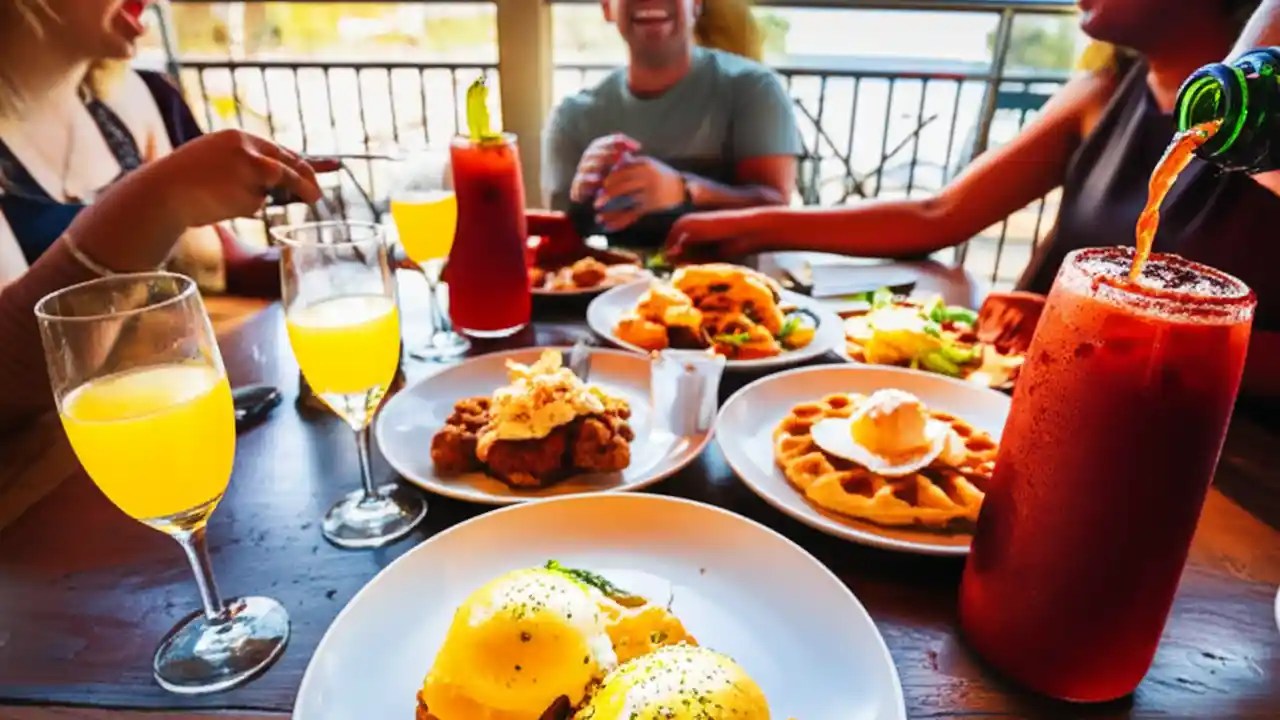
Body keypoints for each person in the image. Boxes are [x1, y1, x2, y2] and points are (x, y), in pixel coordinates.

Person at [667, 0, 1280, 397]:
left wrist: (1099, 331)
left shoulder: (1263, 119)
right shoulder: (1105, 89)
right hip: (1056, 399)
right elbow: (941, 213)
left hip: (1232, 468)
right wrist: (749, 226)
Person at [0, 129, 321, 433]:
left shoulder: (145, 94)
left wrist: (323, 261)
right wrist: (153, 200)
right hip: (55, 461)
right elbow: (12, 384)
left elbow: (220, 263)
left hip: (179, 405)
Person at [0, 0, 281, 297]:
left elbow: (207, 265)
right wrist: (158, 202)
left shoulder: (131, 96)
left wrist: (313, 258)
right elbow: (19, 338)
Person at [541, 0, 800, 249]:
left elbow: (776, 209)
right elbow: (559, 243)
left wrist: (683, 190)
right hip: (617, 289)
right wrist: (584, 201)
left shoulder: (753, 89)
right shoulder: (573, 117)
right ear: (607, 7)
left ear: (696, 4)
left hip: (733, 288)